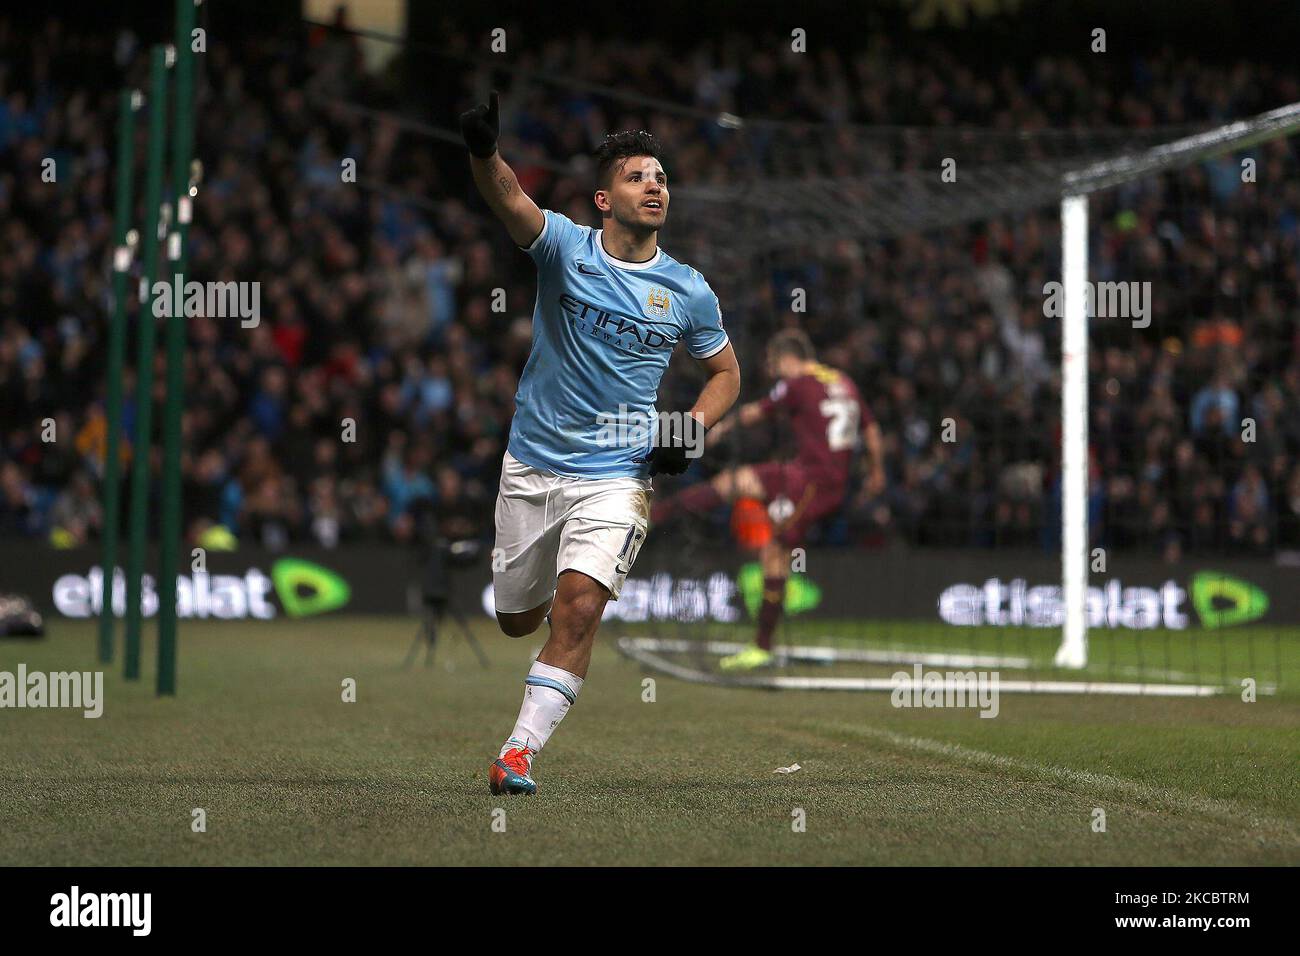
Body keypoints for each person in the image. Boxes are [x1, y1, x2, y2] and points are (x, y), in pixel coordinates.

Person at [459, 92, 741, 795]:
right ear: (604, 199)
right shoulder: (563, 245)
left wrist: (692, 426)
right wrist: (482, 151)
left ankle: (518, 752)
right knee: (515, 619)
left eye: (662, 178)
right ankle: (527, 616)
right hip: (532, 462)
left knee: (580, 606)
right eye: (638, 176)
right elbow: (508, 200)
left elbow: (727, 373)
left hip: (619, 472)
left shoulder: (688, 290)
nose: (655, 186)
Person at [652, 329, 883, 669]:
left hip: (814, 483)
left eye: (772, 363)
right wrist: (876, 472)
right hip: (802, 473)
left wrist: (719, 429)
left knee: (774, 551)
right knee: (736, 481)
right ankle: (656, 514)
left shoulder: (798, 383)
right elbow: (872, 428)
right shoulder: (842, 381)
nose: (771, 370)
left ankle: (762, 646)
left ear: (784, 357)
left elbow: (756, 412)